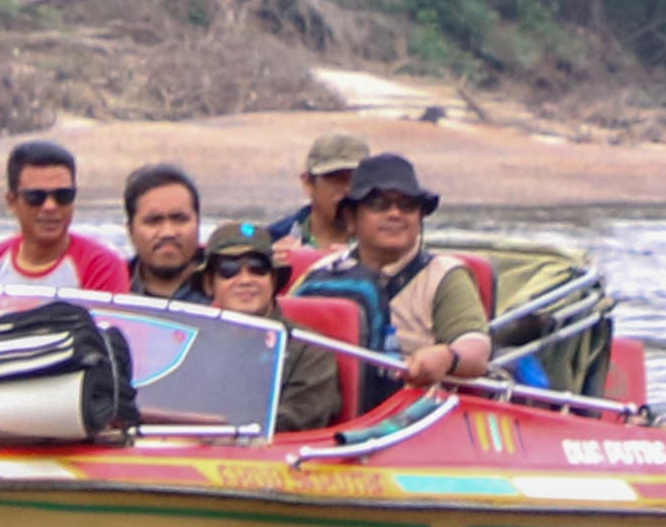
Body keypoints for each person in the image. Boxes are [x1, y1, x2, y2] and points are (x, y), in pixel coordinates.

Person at [297, 150, 493, 387]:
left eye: (407, 205)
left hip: (411, 409)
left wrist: (447, 357)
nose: (395, 214)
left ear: (420, 218)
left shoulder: (445, 274)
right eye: (378, 204)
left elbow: (476, 347)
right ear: (350, 218)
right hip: (324, 402)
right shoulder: (324, 270)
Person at [206, 219, 346, 434]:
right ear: (209, 283)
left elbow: (302, 417)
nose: (245, 280)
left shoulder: (311, 350)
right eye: (229, 270)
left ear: (273, 278)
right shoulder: (191, 344)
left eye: (257, 269)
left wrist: (227, 432)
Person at [0, 137, 132, 297]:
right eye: (36, 197)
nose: (50, 207)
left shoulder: (101, 265)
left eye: (63, 195)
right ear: (12, 202)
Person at [266, 130, 372, 260]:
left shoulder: (386, 241)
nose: (347, 188)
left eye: (356, 178)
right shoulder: (273, 238)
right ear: (308, 183)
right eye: (336, 178)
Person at [120, 162, 212, 301]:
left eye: (179, 219)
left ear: (198, 223)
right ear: (130, 230)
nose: (168, 232)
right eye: (153, 221)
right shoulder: (110, 287)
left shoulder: (231, 284)